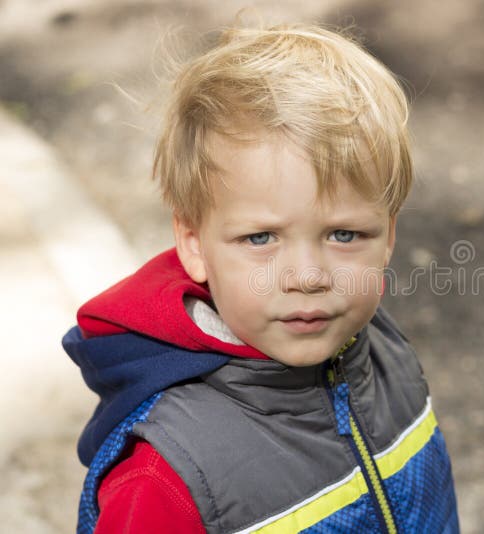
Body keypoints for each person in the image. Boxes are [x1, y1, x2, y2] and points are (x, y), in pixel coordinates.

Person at [62, 22, 459, 534]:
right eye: (260, 239)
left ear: (389, 236)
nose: (308, 277)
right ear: (193, 243)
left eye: (343, 235)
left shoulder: (381, 349)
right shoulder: (167, 477)